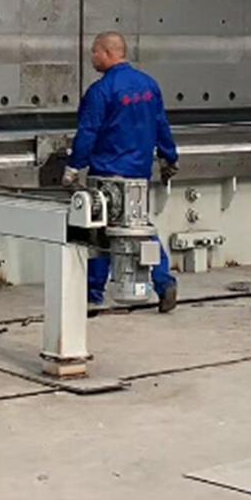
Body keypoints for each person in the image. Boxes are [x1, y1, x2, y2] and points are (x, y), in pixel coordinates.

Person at [64, 31, 180, 313]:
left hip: (108, 172)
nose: (92, 57)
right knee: (138, 227)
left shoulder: (101, 91)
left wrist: (73, 167)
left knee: (98, 229)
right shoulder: (149, 85)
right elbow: (161, 124)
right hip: (139, 172)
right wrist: (169, 157)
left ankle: (93, 293)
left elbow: (88, 132)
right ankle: (163, 282)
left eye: (95, 52)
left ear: (108, 52)